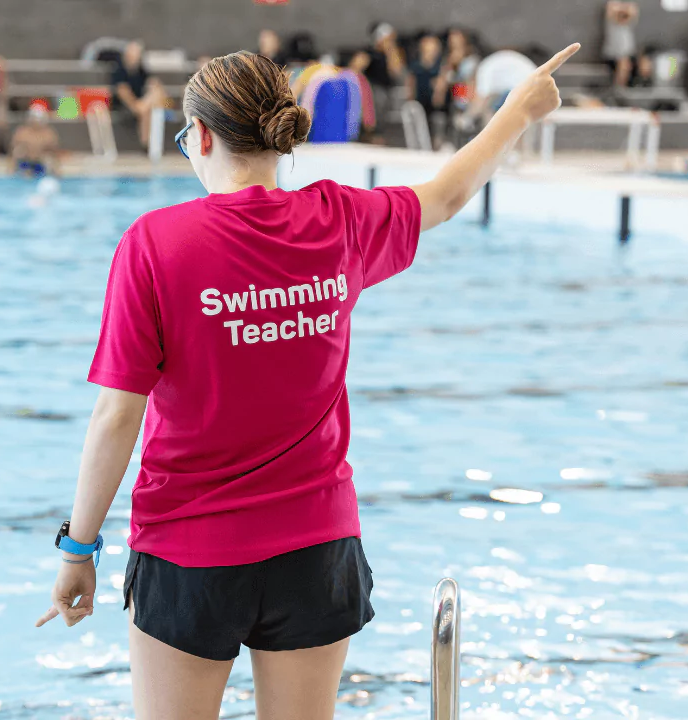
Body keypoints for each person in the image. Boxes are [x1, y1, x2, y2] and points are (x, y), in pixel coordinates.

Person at [37, 43, 580, 720]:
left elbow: (116, 416)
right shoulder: (339, 221)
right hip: (317, 548)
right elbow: (446, 195)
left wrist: (78, 549)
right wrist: (518, 110)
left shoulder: (155, 244)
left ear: (201, 136)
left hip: (190, 549)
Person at [112, 40, 170, 149]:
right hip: (126, 106)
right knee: (147, 107)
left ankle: (147, 143)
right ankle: (147, 143)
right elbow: (122, 91)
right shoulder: (119, 70)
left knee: (154, 94)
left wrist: (154, 85)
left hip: (142, 105)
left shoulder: (141, 70)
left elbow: (152, 82)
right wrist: (135, 105)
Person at [406, 32, 449, 148]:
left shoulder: (442, 66)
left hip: (437, 106)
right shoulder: (416, 66)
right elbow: (411, 86)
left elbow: (440, 94)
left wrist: (439, 90)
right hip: (420, 103)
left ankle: (437, 143)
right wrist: (410, 101)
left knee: (438, 119)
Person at [11, 99, 60, 177]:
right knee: (18, 151)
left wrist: (57, 171)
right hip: (26, 163)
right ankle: (17, 173)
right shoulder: (22, 132)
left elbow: (54, 152)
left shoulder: (49, 134)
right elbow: (13, 151)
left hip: (41, 164)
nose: (35, 121)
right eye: (34, 118)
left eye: (37, 119)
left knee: (49, 158)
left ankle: (51, 175)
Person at [602, 1, 639, 89]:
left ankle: (622, 87)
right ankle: (618, 88)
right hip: (613, 54)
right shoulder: (612, 23)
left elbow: (633, 10)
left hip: (627, 54)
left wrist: (624, 9)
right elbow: (611, 8)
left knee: (627, 64)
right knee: (623, 64)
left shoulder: (628, 24)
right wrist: (622, 10)